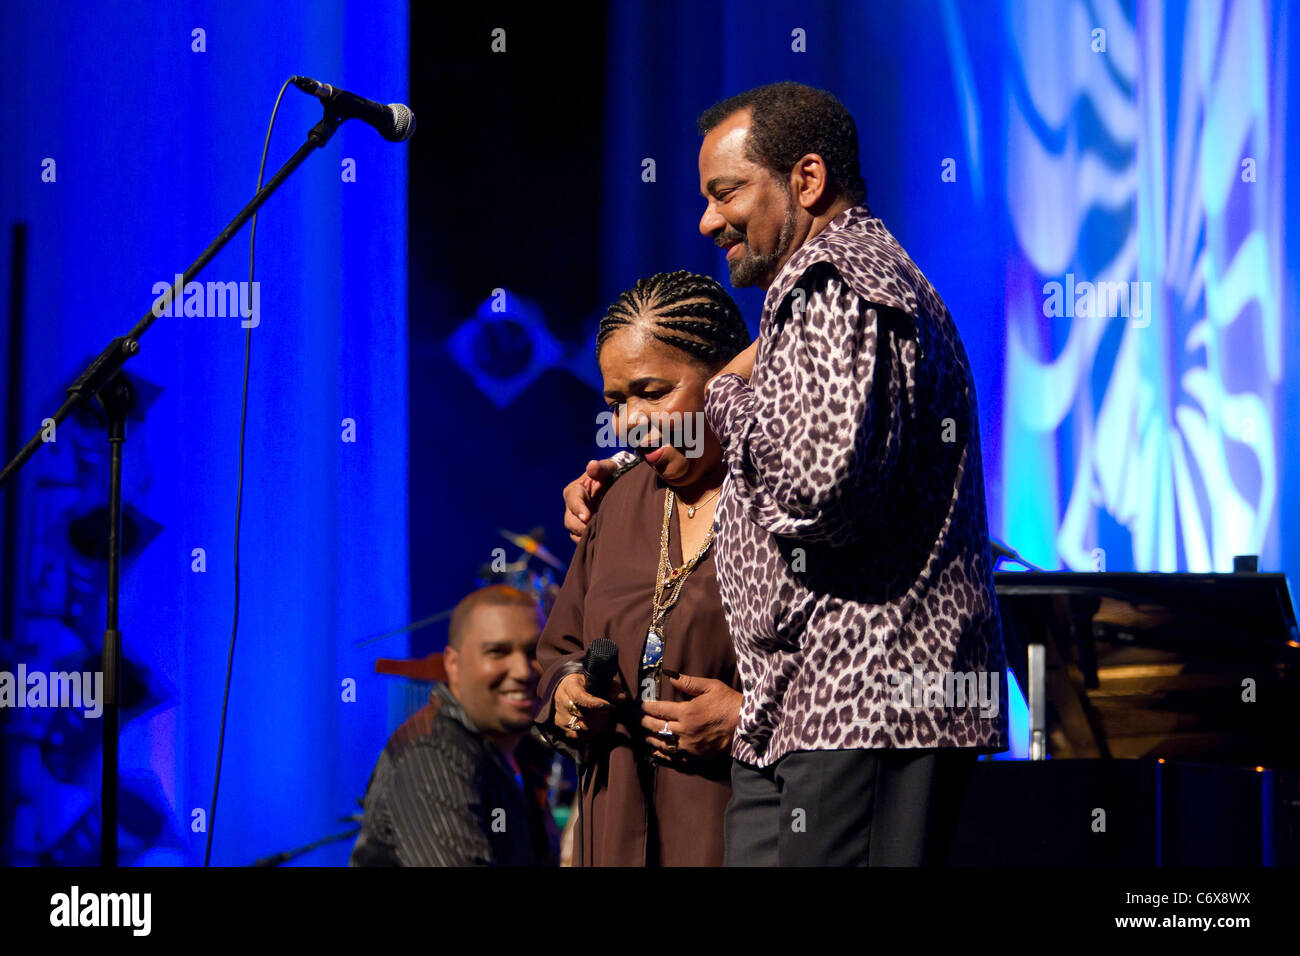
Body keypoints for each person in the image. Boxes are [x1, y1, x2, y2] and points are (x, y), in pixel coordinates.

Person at [564, 82, 1008, 865]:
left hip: (869, 703)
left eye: (725, 191)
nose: (707, 220)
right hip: (815, 712)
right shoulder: (819, 292)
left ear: (806, 180)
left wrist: (728, 392)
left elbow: (815, 492)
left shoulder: (836, 282)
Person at [537, 270, 748, 866]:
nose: (629, 422)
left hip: (733, 831)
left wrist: (747, 717)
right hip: (614, 829)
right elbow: (559, 650)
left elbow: (842, 670)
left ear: (728, 375)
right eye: (616, 401)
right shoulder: (617, 502)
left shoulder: (776, 499)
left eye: (653, 392)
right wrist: (566, 692)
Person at [350, 585, 558, 866]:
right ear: (453, 663)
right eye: (498, 652)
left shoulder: (524, 748)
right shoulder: (430, 755)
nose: (522, 671)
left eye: (534, 652)